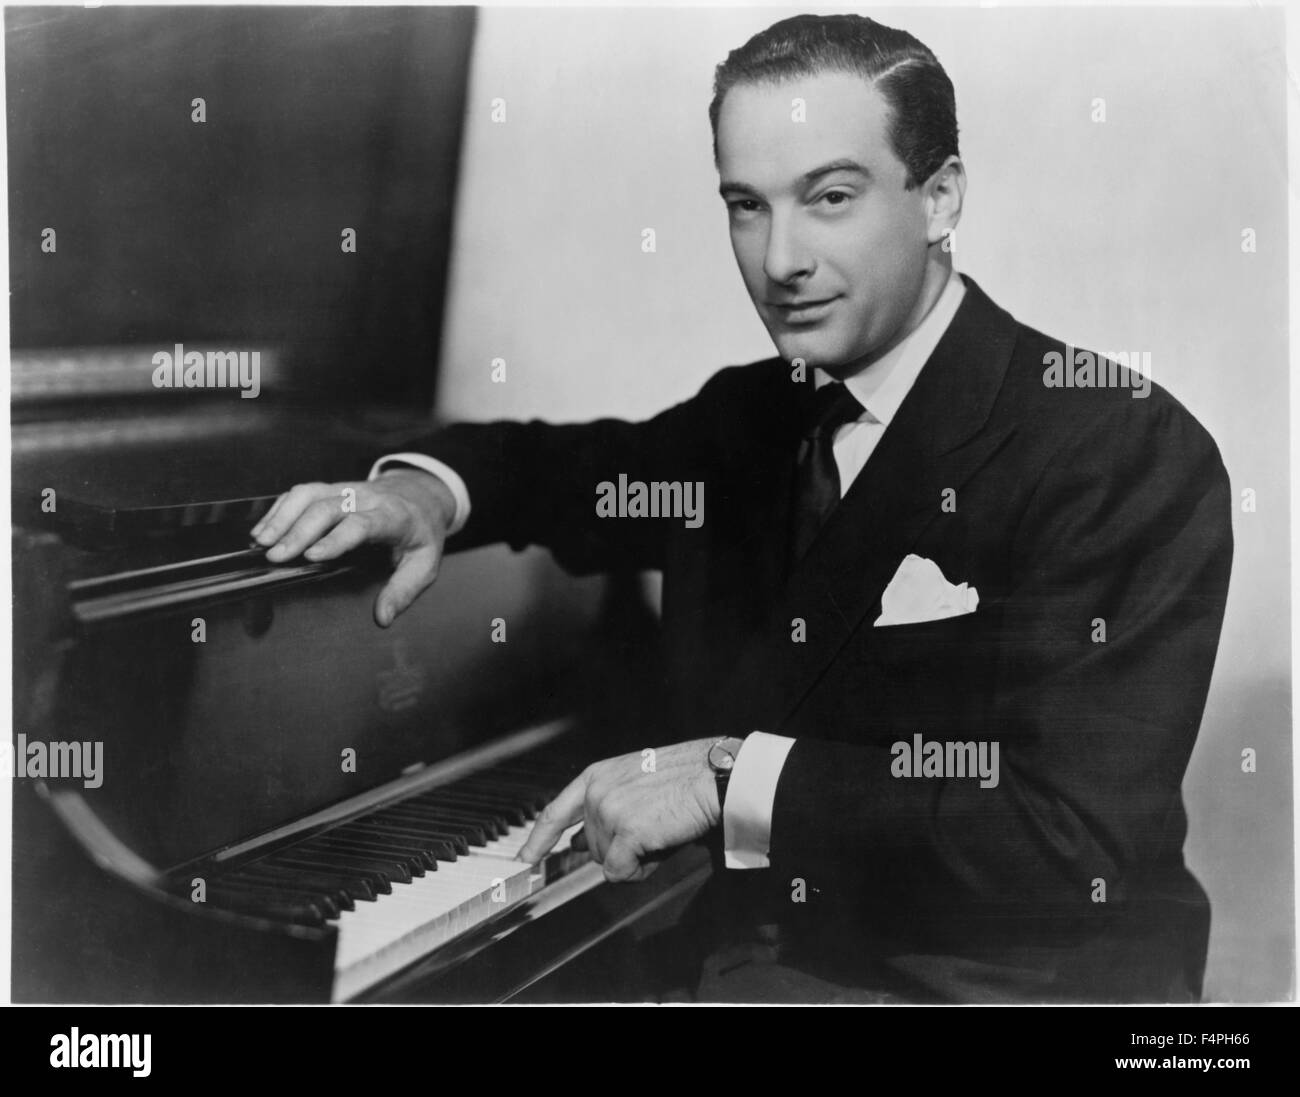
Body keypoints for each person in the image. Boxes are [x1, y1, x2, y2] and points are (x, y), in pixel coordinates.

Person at [251, 14, 1232, 1003]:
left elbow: (1073, 836)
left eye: (830, 197)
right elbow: (565, 468)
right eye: (745, 206)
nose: (780, 259)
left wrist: (729, 785)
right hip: (755, 960)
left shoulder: (1120, 447)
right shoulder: (757, 414)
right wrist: (423, 491)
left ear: (939, 197)